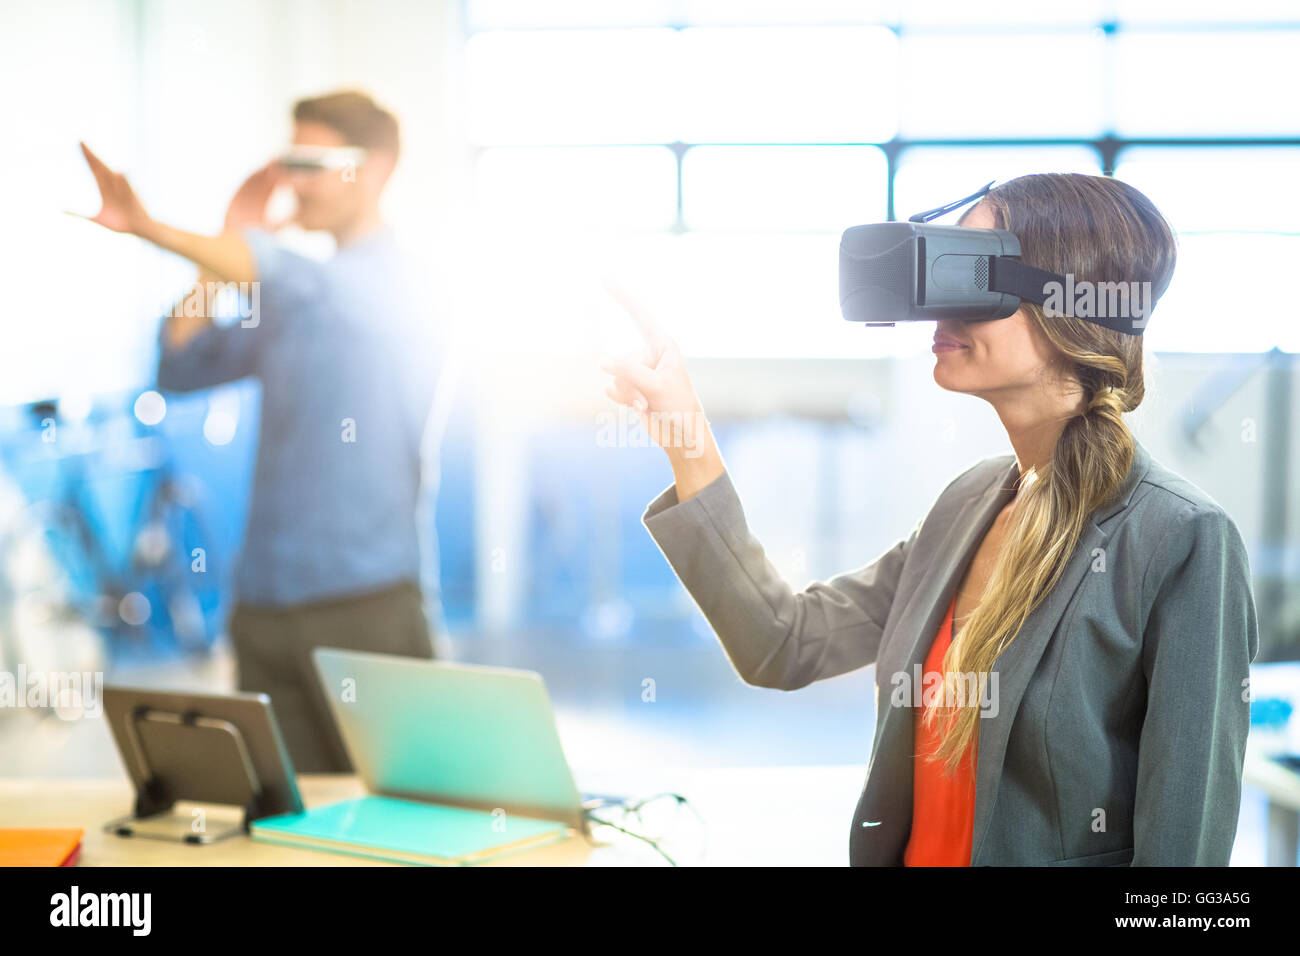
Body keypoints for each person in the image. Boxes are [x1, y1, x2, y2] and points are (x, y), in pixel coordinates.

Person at [600, 172, 1258, 866]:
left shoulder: (1180, 540)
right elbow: (783, 642)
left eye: (972, 276)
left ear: (1074, 306)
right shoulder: (969, 504)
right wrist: (687, 437)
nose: (939, 308)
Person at [79, 91, 441, 772]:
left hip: (364, 606)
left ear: (377, 168)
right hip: (266, 606)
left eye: (313, 163)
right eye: (288, 163)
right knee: (288, 821)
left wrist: (150, 227)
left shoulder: (396, 284)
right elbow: (180, 364)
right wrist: (215, 250)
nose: (295, 183)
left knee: (401, 811)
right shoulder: (287, 296)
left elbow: (287, 273)